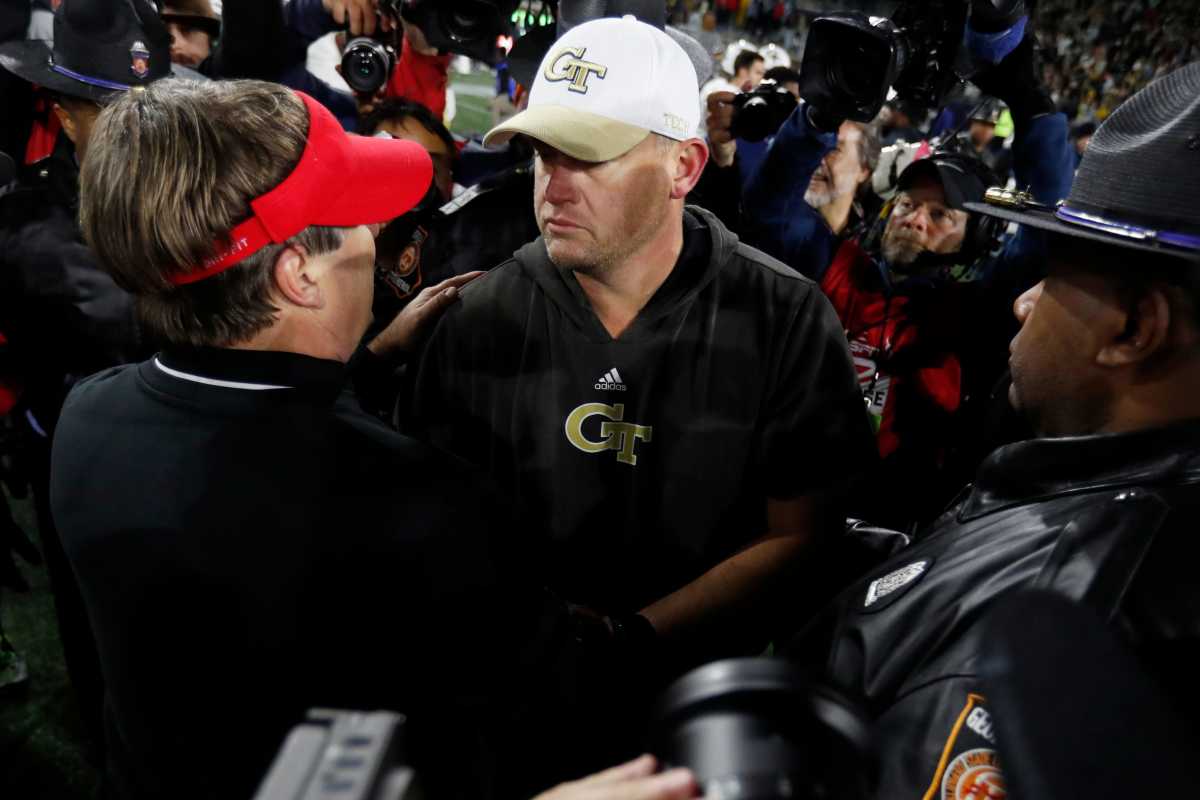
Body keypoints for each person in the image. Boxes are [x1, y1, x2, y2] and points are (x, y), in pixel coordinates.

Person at [51, 78, 599, 800]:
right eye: (360, 222)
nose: (377, 240)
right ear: (297, 275)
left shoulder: (85, 415)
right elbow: (544, 689)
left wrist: (369, 360)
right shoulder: (415, 503)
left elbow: (243, 460)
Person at [411, 16, 873, 680]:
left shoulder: (785, 315)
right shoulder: (477, 316)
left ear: (683, 166)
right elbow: (439, 530)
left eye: (590, 156)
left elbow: (805, 534)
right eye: (544, 153)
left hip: (704, 707)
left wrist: (629, 642)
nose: (554, 184)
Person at [786, 59, 1200, 797]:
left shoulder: (1063, 611)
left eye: (1058, 275)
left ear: (1136, 327)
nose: (1024, 302)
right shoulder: (1126, 518)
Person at [740, 30, 1076, 530]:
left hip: (901, 530)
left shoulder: (976, 310)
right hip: (784, 510)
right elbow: (770, 205)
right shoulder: (832, 265)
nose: (916, 219)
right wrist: (818, 116)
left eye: (942, 214)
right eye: (910, 203)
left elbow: (1048, 230)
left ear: (976, 238)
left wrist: (1030, 104)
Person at [0, 0, 201, 751]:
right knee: (109, 660)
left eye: (139, 108)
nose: (131, 130)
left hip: (204, 465)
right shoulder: (25, 230)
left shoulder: (199, 192)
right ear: (62, 110)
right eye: (107, 109)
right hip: (86, 476)